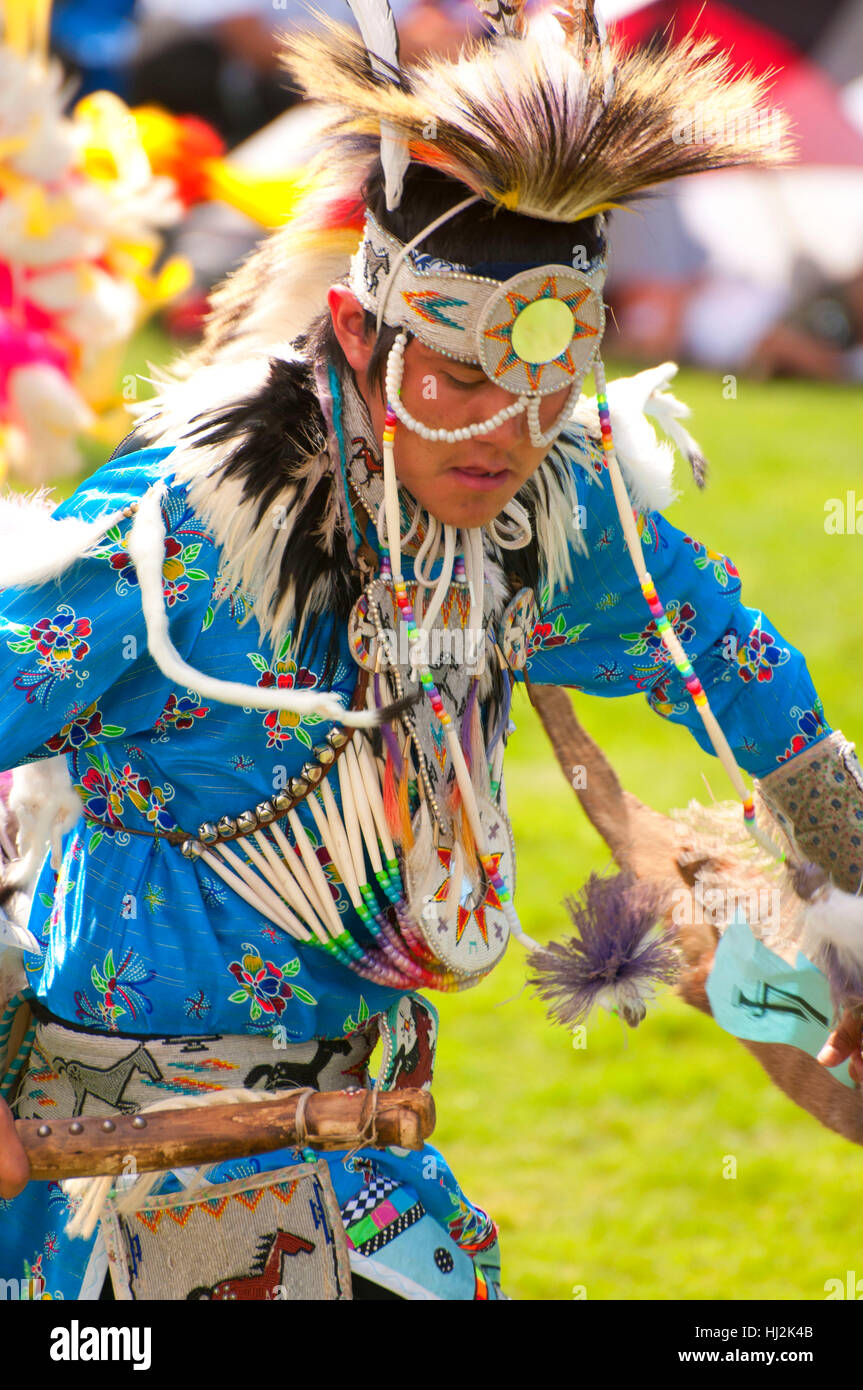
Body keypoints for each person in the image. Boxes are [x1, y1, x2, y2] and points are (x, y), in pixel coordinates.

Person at [2, 0, 863, 1301]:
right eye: (451, 376)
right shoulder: (173, 546)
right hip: (123, 1186)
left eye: (544, 383)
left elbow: (741, 668)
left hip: (376, 1178)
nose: (499, 430)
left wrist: (851, 888)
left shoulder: (547, 525)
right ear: (359, 334)